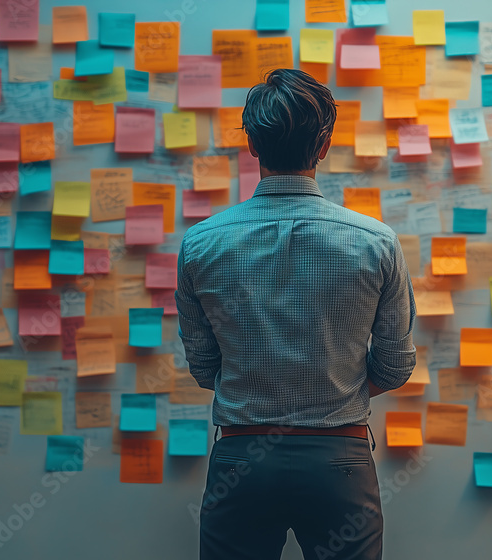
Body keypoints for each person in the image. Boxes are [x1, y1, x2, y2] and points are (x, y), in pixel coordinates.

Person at [175, 68, 417, 560]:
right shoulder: (377, 242)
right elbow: (395, 366)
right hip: (340, 462)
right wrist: (334, 390)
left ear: (252, 145)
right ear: (324, 146)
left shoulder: (201, 244)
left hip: (241, 462)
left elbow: (203, 367)